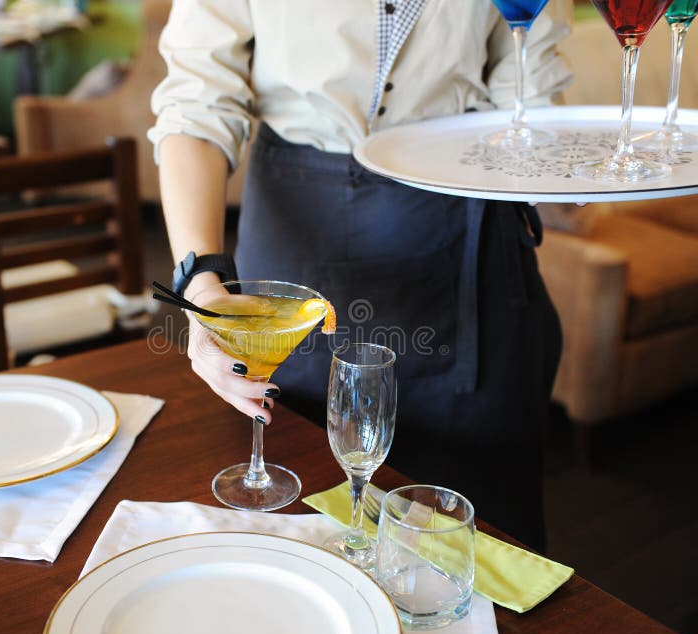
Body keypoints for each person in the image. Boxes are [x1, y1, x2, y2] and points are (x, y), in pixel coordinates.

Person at [149, 0, 573, 551]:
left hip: (466, 249)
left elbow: (536, 112)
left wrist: (573, 160)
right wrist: (201, 283)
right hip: (299, 238)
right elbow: (196, 105)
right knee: (299, 524)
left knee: (480, 536)